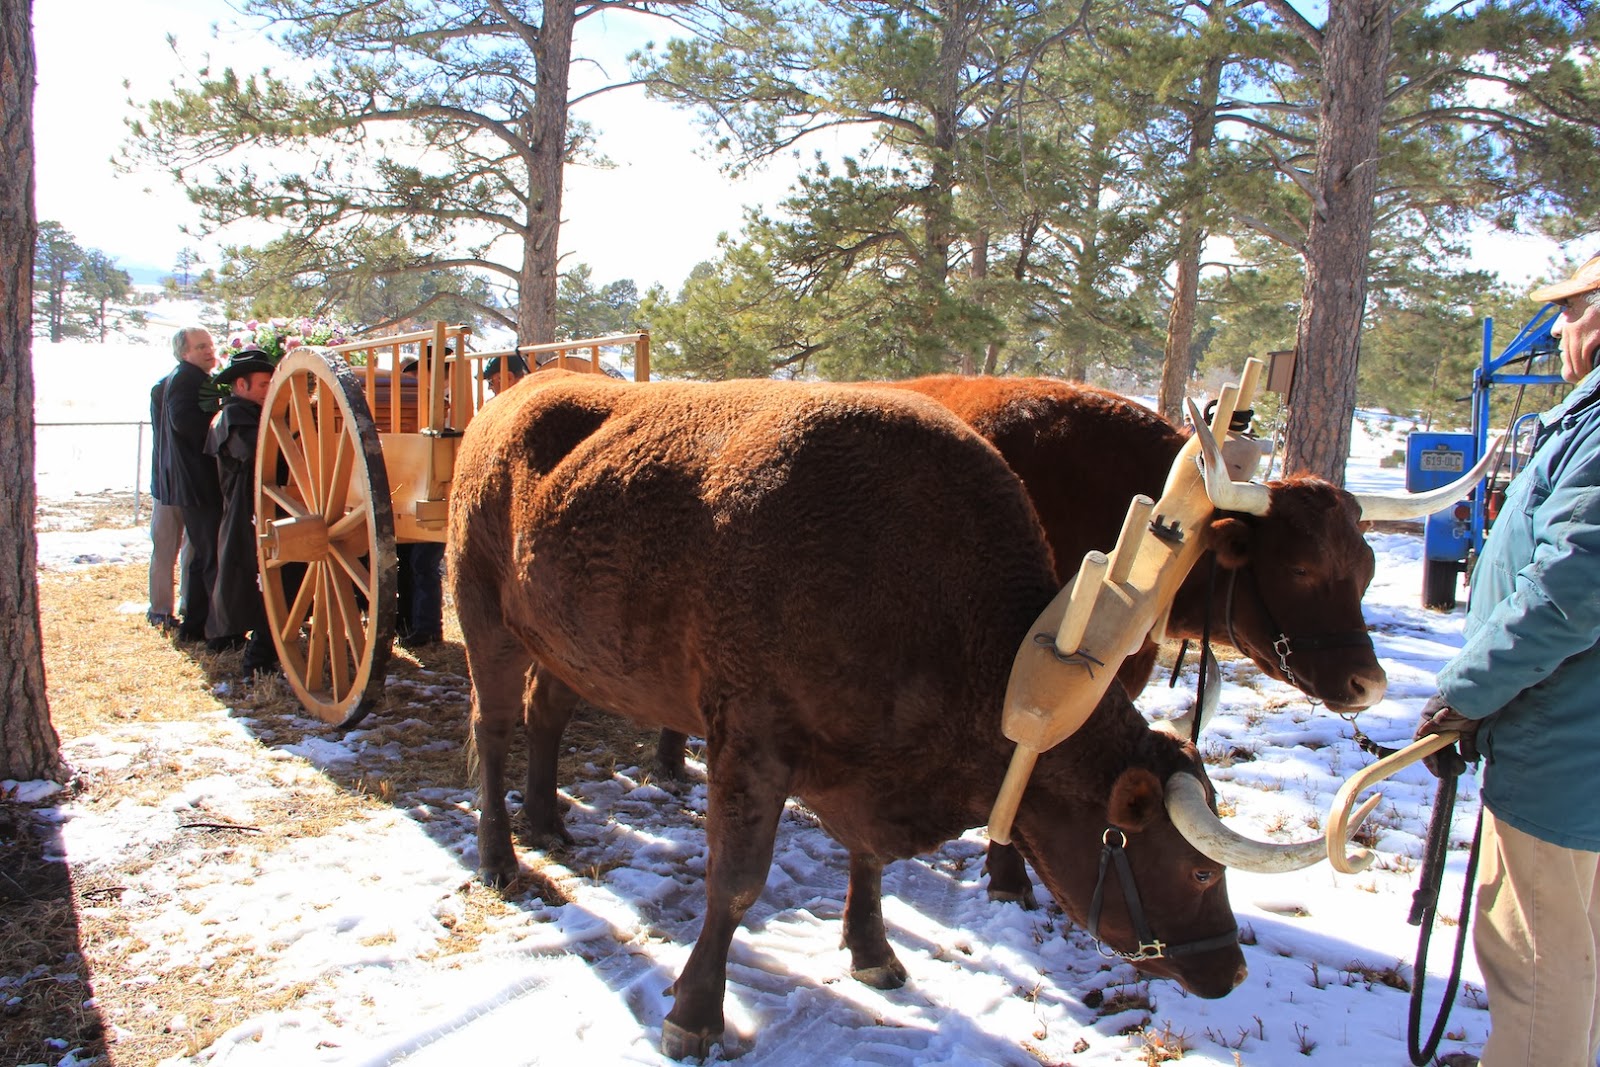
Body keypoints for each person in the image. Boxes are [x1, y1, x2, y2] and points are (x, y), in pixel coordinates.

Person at [1417, 252, 1600, 1067]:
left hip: (1560, 747)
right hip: (1569, 738)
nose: (1558, 329)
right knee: (1569, 949)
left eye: (1573, 309)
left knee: (1535, 962)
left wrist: (1467, 693)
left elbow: (1569, 593)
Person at [202, 349, 279, 675]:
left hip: (266, 504)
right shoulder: (232, 416)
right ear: (241, 385)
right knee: (252, 578)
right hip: (246, 508)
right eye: (263, 385)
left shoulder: (256, 412)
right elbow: (254, 454)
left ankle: (252, 644)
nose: (268, 390)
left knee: (258, 579)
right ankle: (255, 657)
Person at [156, 327, 222, 644]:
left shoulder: (194, 378)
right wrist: (222, 425)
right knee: (208, 555)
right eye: (200, 347)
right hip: (197, 479)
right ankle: (205, 625)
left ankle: (196, 625)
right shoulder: (186, 379)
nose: (209, 351)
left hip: (196, 479)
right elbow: (184, 423)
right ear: (185, 353)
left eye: (210, 345)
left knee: (203, 554)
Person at [147, 374, 191, 630]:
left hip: (189, 482)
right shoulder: (163, 388)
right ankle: (160, 609)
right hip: (167, 482)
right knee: (165, 546)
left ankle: (189, 604)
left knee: (191, 548)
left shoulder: (203, 383)